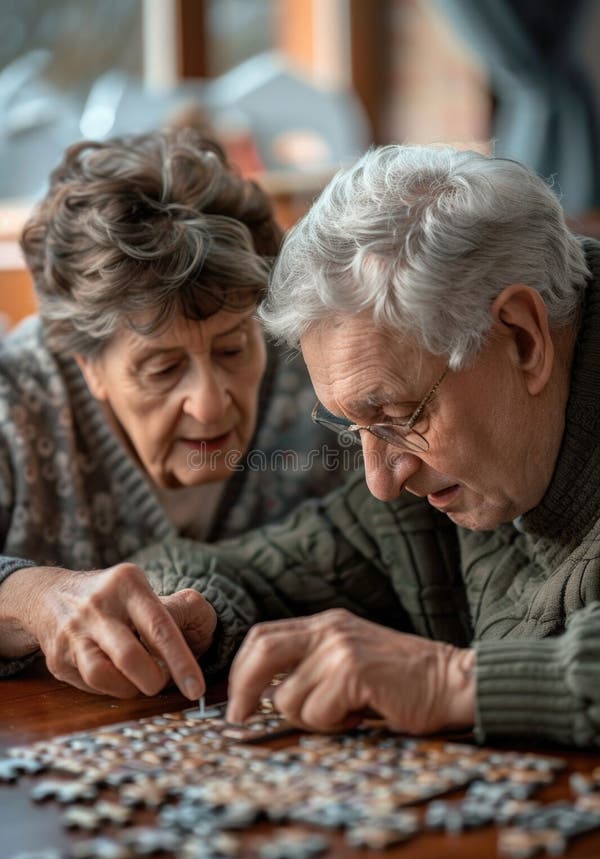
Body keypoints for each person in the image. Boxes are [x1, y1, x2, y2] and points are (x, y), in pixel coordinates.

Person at [133, 143, 600, 748]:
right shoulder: (435, 476)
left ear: (522, 339)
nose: (382, 482)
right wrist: (186, 612)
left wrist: (446, 682)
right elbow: (243, 570)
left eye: (397, 417)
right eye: (355, 429)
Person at [0, 129, 346, 699]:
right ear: (86, 363)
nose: (210, 404)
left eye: (234, 349)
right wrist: (29, 597)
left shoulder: (321, 380)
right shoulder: (17, 403)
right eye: (162, 370)